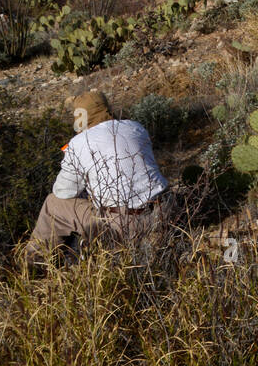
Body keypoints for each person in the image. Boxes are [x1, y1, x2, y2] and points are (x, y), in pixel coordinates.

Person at [25, 90, 171, 263]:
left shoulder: (79, 143)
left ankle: (34, 264)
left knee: (52, 204)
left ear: (81, 117)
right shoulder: (136, 127)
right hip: (164, 212)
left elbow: (63, 191)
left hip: (123, 225)